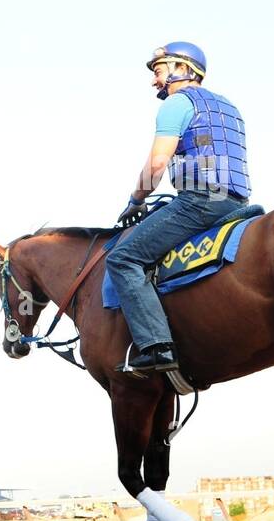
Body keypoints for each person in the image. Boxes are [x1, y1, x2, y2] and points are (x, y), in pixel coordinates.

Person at [106, 42, 251, 374]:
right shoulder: (228, 107)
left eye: (158, 71)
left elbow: (157, 165)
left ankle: (157, 346)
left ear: (182, 69)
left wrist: (136, 199)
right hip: (235, 202)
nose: (154, 81)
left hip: (199, 202)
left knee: (123, 258)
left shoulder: (176, 103)